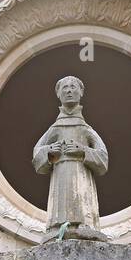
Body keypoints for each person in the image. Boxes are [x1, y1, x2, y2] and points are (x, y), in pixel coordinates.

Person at [32, 75, 108, 241]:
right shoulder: (55, 128)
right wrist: (50, 150)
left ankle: (86, 224)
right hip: (60, 173)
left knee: (81, 198)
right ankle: (58, 226)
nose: (69, 91)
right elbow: (37, 154)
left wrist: (82, 151)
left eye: (74, 87)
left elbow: (103, 157)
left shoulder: (85, 128)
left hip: (81, 173)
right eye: (65, 88)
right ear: (58, 94)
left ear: (81, 93)